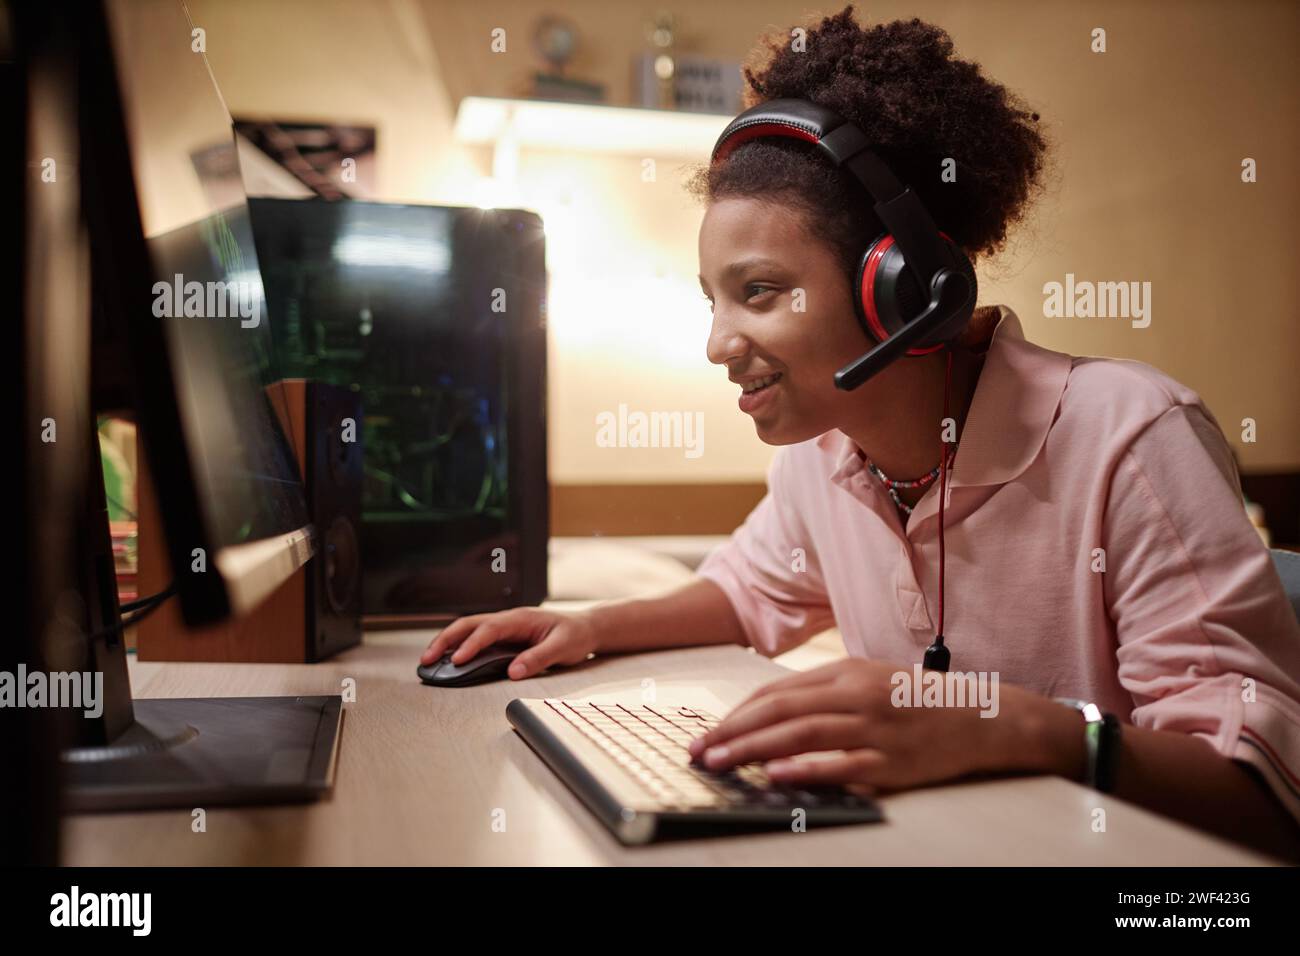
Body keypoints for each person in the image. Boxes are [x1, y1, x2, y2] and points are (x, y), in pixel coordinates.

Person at [421, 7, 1300, 860]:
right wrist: (589, 626)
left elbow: (1259, 798)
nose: (718, 345)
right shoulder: (825, 451)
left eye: (758, 292)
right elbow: (746, 595)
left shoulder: (1131, 436)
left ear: (906, 287)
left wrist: (1012, 725)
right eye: (712, 299)